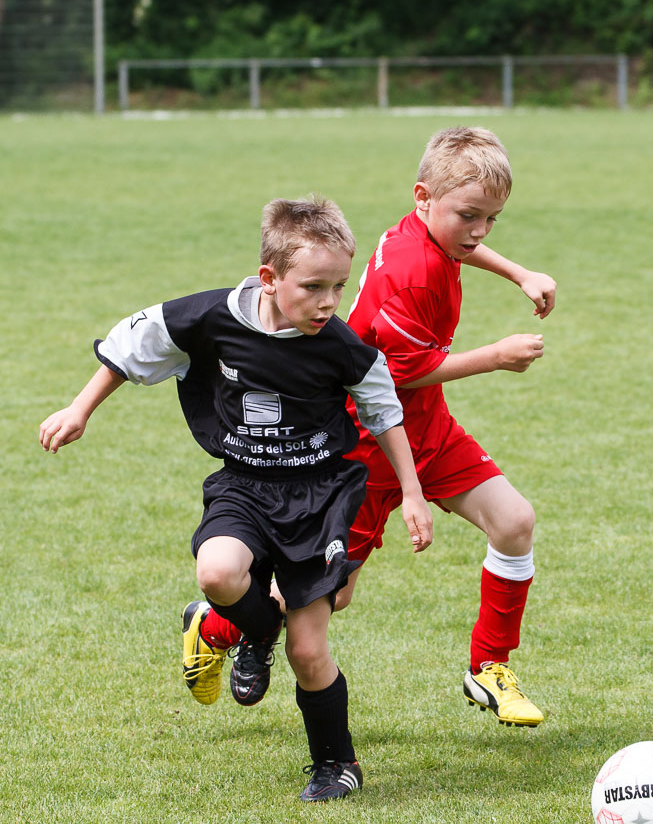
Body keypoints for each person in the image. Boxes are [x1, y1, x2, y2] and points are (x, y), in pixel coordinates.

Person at [38, 195, 433, 803]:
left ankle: (336, 764)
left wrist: (411, 492)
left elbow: (384, 411)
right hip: (244, 485)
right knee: (217, 572)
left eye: (339, 286)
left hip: (321, 494)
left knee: (310, 648)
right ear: (270, 279)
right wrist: (79, 407)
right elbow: (132, 343)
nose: (329, 302)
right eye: (314, 287)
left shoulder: (342, 345)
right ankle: (257, 627)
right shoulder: (211, 318)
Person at [198, 126, 557, 727]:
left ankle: (488, 665)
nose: (480, 231)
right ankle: (213, 624)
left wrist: (519, 273)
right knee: (327, 595)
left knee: (514, 521)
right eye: (471, 216)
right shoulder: (412, 272)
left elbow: (459, 244)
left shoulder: (427, 229)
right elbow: (403, 375)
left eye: (491, 218)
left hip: (429, 432)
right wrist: (496, 355)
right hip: (365, 447)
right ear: (424, 197)